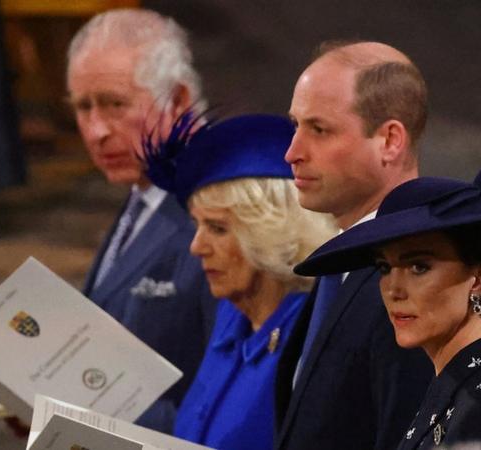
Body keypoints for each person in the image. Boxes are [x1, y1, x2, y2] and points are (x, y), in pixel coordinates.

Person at [294, 154, 481, 449]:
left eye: (419, 267)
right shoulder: (461, 384)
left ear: (480, 277)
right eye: (384, 267)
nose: (394, 289)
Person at [142, 113, 338, 450]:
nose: (196, 246)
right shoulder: (231, 315)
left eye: (217, 228)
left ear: (271, 233)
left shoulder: (311, 337)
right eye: (196, 225)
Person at [274, 40, 435, 450]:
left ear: (390, 141)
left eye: (319, 129)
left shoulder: (416, 280)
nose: (292, 152)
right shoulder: (344, 258)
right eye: (295, 125)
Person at [66, 9, 216, 432]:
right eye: (83, 107)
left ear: (179, 99)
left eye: (115, 104)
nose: (96, 131)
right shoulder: (144, 191)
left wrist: (75, 407)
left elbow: (228, 404)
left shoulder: (221, 212)